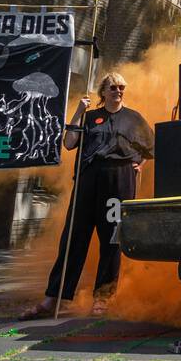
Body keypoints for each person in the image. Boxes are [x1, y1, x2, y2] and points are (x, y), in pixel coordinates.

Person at [21, 71, 154, 319]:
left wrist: (139, 165)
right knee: (74, 237)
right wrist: (79, 112)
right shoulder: (91, 117)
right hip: (88, 179)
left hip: (119, 181)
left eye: (122, 87)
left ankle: (103, 297)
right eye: (113, 87)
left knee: (112, 240)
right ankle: (55, 297)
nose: (118, 91)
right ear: (103, 92)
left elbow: (150, 147)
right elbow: (69, 143)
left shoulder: (134, 119)